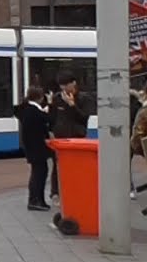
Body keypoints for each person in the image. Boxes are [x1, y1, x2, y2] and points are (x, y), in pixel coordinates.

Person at [47, 71, 92, 200]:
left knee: (78, 165)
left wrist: (72, 105)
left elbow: (84, 118)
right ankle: (55, 191)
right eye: (61, 86)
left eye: (66, 85)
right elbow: (53, 117)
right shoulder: (57, 98)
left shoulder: (84, 98)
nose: (64, 89)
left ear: (74, 83)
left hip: (77, 136)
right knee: (58, 165)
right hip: (61, 137)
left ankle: (77, 189)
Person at [16, 86, 53, 211]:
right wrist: (50, 105)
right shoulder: (33, 111)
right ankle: (35, 201)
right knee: (39, 174)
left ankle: (38, 200)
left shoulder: (26, 109)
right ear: (40, 97)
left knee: (38, 173)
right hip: (37, 148)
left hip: (32, 147)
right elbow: (48, 119)